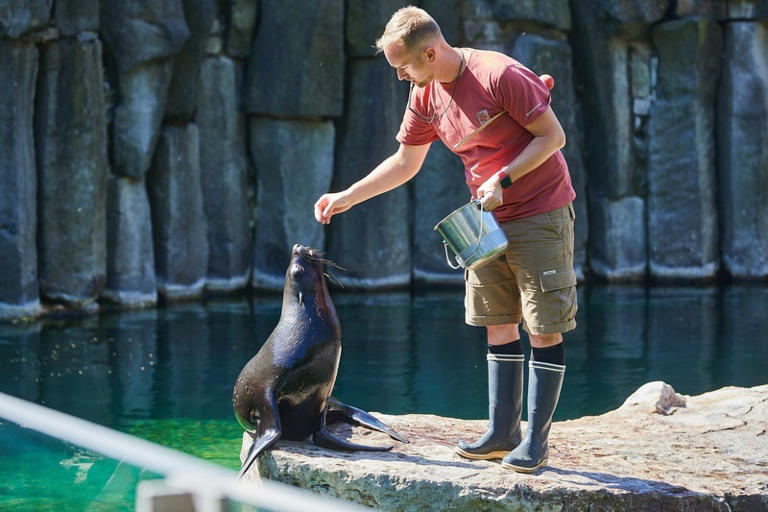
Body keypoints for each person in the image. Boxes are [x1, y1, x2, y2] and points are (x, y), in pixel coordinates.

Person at [313, 6, 577, 473]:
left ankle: (535, 441)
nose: (401, 77)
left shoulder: (499, 74)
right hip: (484, 218)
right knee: (497, 320)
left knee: (543, 325)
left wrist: (505, 178)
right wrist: (349, 196)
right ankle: (502, 432)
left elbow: (552, 137)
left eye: (404, 67)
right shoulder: (425, 94)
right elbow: (405, 162)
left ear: (430, 52)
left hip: (538, 211)